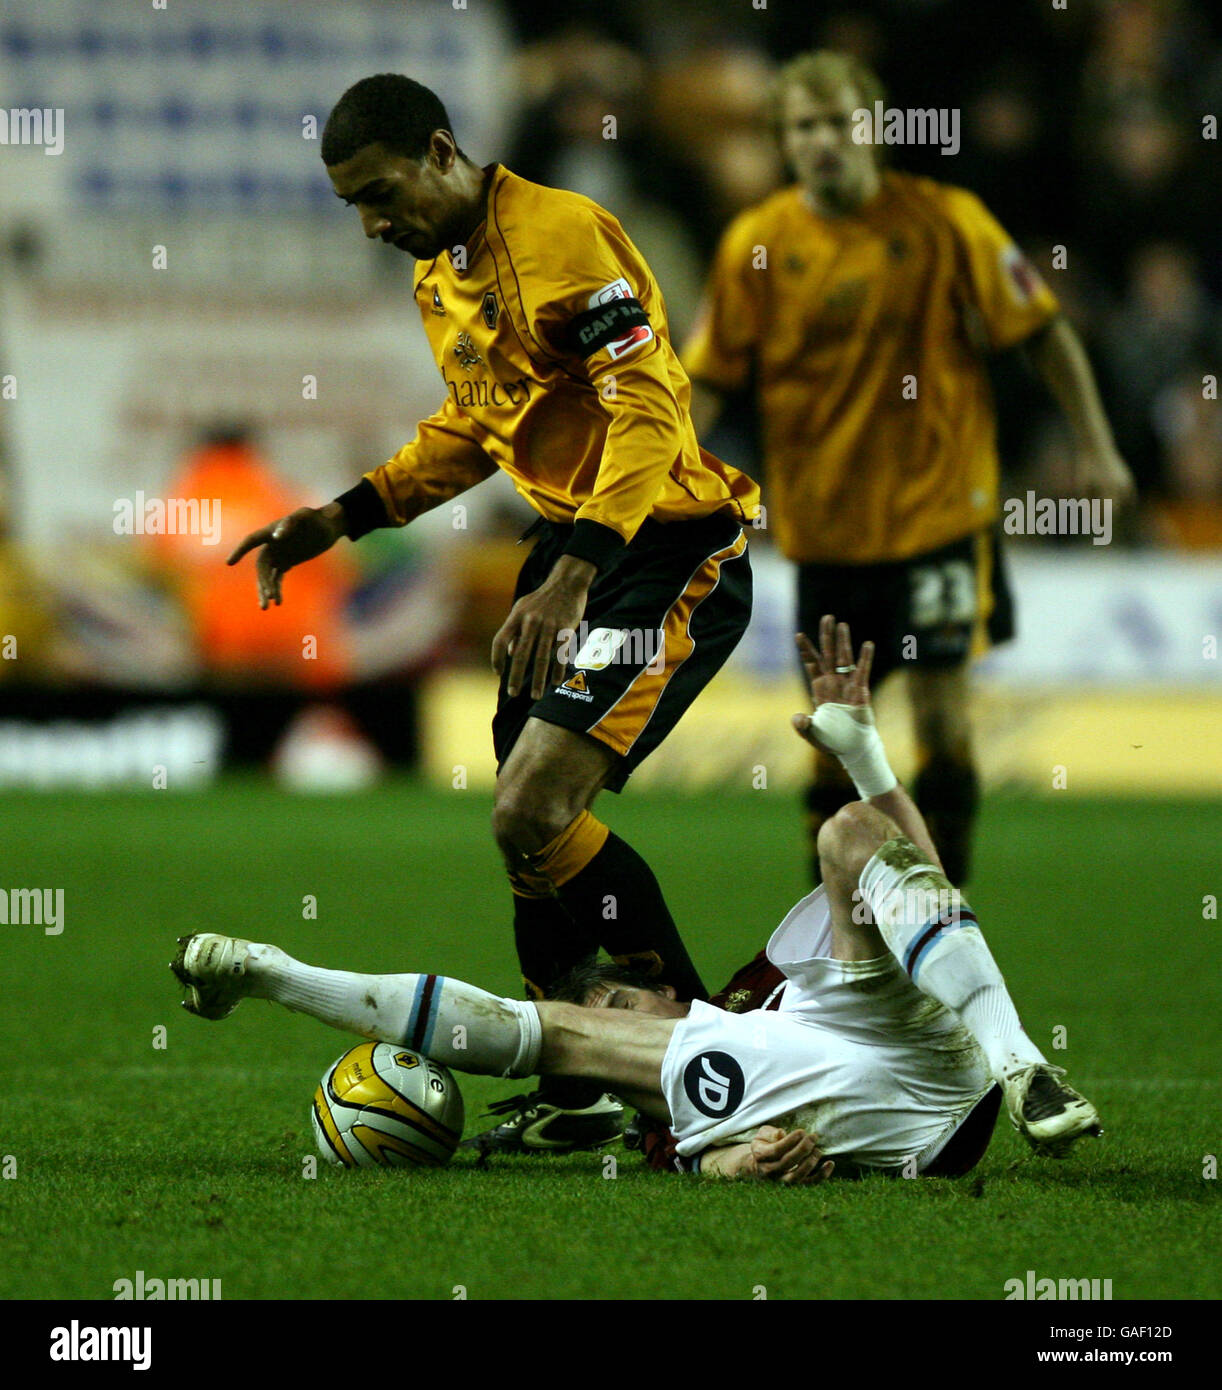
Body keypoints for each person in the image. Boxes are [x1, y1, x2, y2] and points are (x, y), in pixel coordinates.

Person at [226, 75, 759, 1154]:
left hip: (662, 551)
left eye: (382, 194)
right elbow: (475, 429)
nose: (375, 225)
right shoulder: (444, 274)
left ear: (438, 150)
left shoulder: (560, 238)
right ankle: (582, 1078)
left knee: (528, 808)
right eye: (355, 209)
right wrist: (343, 514)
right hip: (576, 551)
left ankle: (718, 1072)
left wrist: (578, 572)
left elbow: (649, 408)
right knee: (526, 831)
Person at [172, 616, 1102, 1182]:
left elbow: (916, 869)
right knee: (551, 1033)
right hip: (904, 1124)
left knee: (851, 836)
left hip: (927, 1050)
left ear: (661, 985)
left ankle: (1021, 1062)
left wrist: (864, 758)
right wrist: (745, 1163)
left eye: (618, 994)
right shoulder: (678, 1089)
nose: (621, 1008)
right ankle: (273, 971)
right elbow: (713, 1159)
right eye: (611, 1006)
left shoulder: (760, 984)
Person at [683, 50, 1135, 886]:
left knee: (942, 717)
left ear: (876, 128)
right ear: (785, 143)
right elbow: (706, 376)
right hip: (826, 533)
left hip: (936, 518)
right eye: (805, 126)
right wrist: (663, 478)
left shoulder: (946, 222)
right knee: (829, 739)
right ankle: (833, 937)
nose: (826, 140)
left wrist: (1096, 444)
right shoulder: (758, 244)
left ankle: (949, 915)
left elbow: (1041, 328)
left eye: (842, 121)